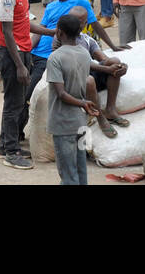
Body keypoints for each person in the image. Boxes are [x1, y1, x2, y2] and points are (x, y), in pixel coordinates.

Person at [0, 0, 43, 169]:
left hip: (22, 51)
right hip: (11, 54)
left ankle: (6, 145)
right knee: (13, 104)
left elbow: (23, 23)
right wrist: (20, 66)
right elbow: (6, 32)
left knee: (16, 101)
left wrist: (51, 31)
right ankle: (11, 152)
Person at [46, 13, 97, 185]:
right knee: (81, 170)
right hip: (80, 121)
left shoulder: (55, 57)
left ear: (59, 32)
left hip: (63, 123)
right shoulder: (84, 53)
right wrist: (83, 103)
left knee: (68, 175)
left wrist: (82, 102)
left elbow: (61, 94)